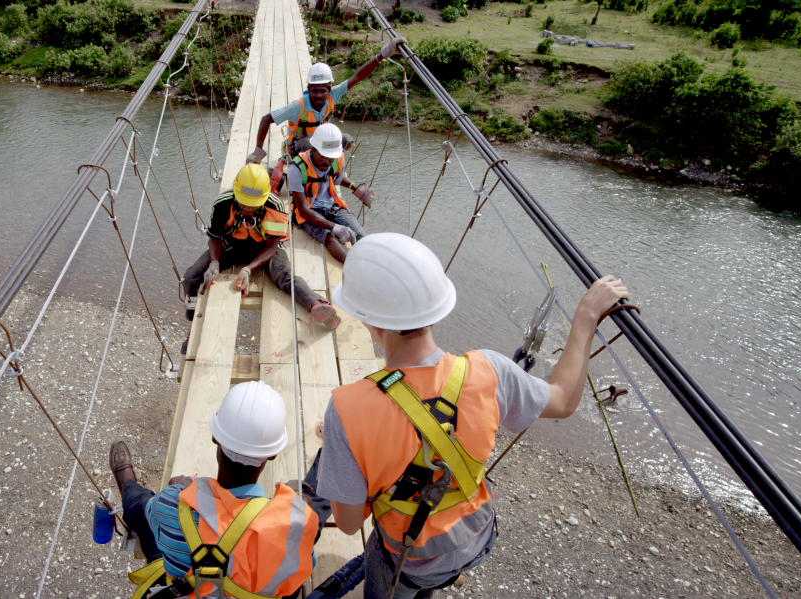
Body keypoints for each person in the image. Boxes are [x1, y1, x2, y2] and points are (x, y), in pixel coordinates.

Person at [317, 233, 631, 599]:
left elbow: (350, 522)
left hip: (411, 559)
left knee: (389, 567)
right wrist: (586, 317)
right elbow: (563, 401)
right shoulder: (490, 370)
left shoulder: (348, 408)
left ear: (371, 321)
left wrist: (357, 463)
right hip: (476, 539)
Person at [111, 381, 323, 599]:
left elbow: (159, 517)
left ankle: (129, 487)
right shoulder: (294, 528)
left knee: (143, 509)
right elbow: (303, 567)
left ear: (215, 437)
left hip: (183, 585)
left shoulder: (170, 503)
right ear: (272, 454)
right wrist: (292, 510)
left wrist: (179, 491)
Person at [180, 163, 340, 354]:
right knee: (191, 278)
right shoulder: (223, 203)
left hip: (264, 248)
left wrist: (249, 268)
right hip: (231, 245)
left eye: (253, 205)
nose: (247, 208)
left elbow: (272, 246)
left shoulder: (275, 205)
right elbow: (214, 237)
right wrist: (214, 262)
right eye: (243, 203)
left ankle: (317, 305)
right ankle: (193, 316)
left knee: (283, 275)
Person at [246, 37, 406, 165]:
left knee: (346, 140)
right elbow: (266, 119)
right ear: (309, 90)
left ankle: (327, 167)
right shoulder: (298, 106)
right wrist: (258, 151)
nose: (319, 96)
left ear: (329, 89)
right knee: (313, 145)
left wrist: (384, 54)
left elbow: (357, 77)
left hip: (320, 145)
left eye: (323, 91)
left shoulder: (333, 96)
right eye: (314, 91)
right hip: (299, 147)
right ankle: (316, 166)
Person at [289, 123, 373, 264]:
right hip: (309, 211)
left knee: (361, 236)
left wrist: (354, 187)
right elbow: (303, 210)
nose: (326, 161)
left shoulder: (338, 159)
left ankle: (372, 263)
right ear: (313, 149)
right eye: (322, 155)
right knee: (329, 237)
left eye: (330, 157)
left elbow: (337, 180)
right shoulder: (297, 169)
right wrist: (333, 227)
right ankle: (355, 265)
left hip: (332, 207)